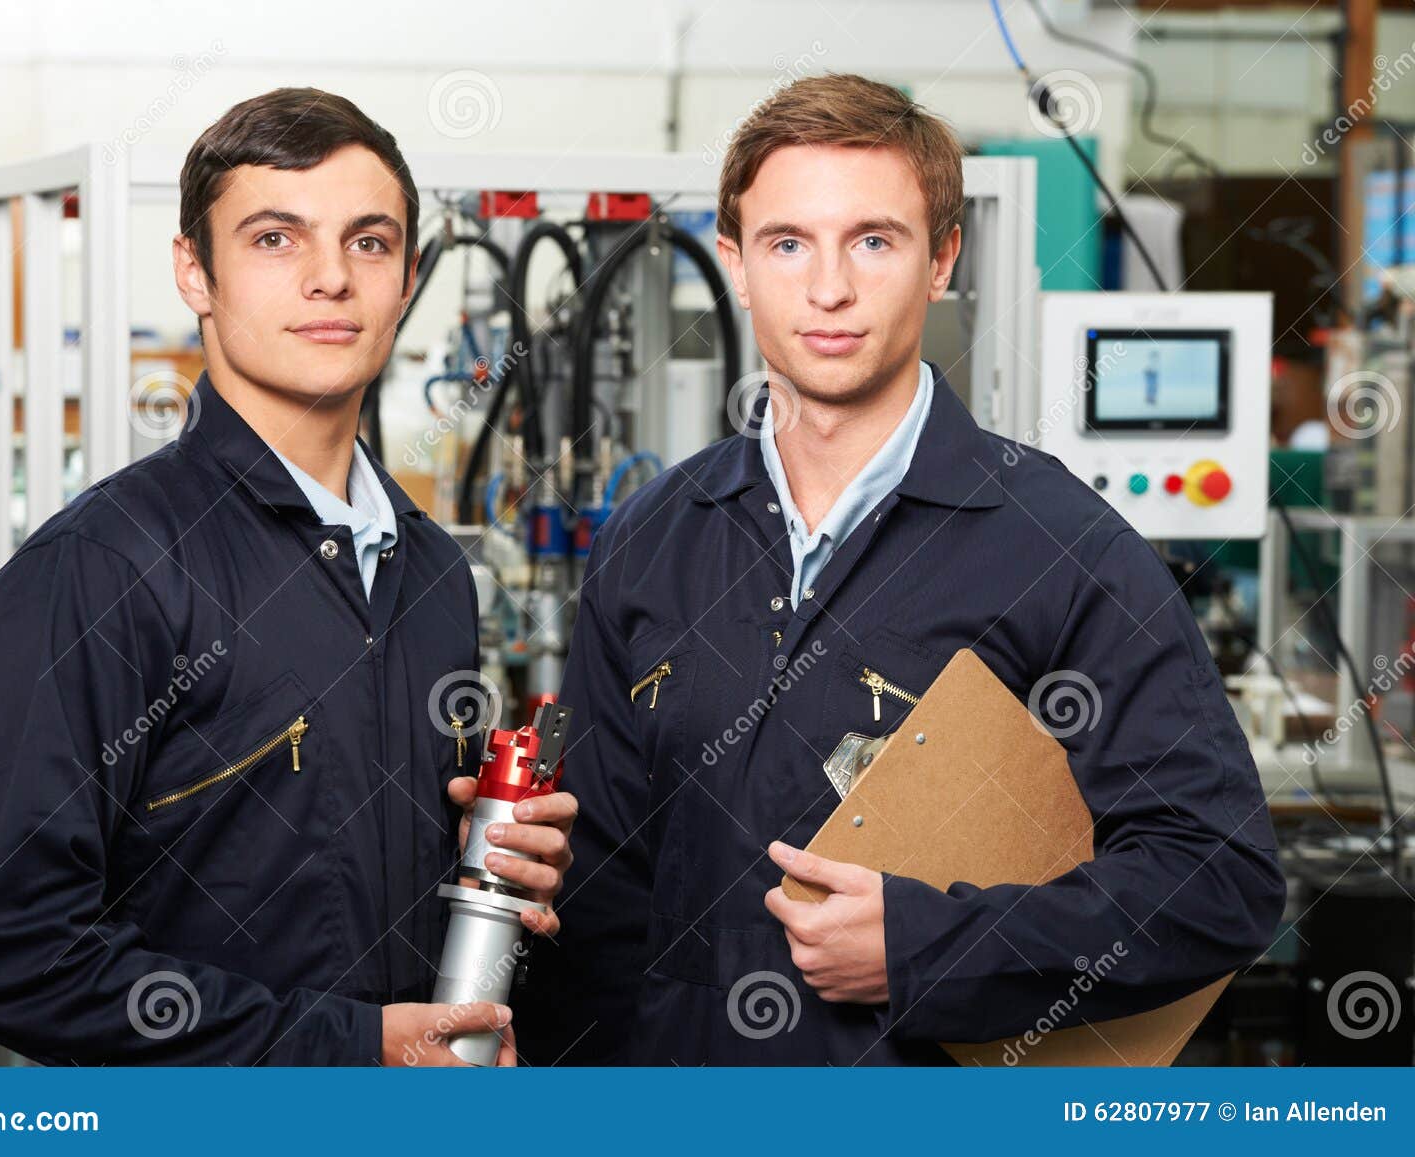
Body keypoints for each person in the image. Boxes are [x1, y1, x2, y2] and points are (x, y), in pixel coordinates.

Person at [515, 74, 1284, 1065]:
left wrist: (929, 943)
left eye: (872, 240)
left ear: (941, 261)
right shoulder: (654, 536)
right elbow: (602, 894)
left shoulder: (1059, 548)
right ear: (735, 264)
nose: (827, 287)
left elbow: (1215, 877)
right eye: (788, 243)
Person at [0, 87, 575, 1066]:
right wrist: (348, 1049)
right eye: (275, 239)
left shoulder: (435, 571)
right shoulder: (101, 570)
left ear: (407, 276)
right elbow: (5, 954)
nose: (330, 279)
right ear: (195, 271)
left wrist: (503, 877)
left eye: (368, 242)